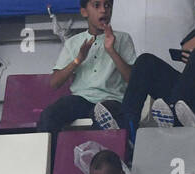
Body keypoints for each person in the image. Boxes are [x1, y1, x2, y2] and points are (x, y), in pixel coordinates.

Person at [98, 0, 195, 136]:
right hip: (191, 97)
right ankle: (127, 125)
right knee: (145, 62)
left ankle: (176, 116)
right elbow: (186, 49)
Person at [39, 0, 135, 134]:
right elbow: (54, 83)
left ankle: (99, 154)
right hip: (81, 99)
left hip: (111, 99)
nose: (103, 10)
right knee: (48, 116)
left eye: (107, 5)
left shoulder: (123, 38)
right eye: (97, 5)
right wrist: (78, 60)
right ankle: (53, 155)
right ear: (84, 12)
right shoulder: (73, 42)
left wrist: (111, 50)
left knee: (103, 115)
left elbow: (132, 80)